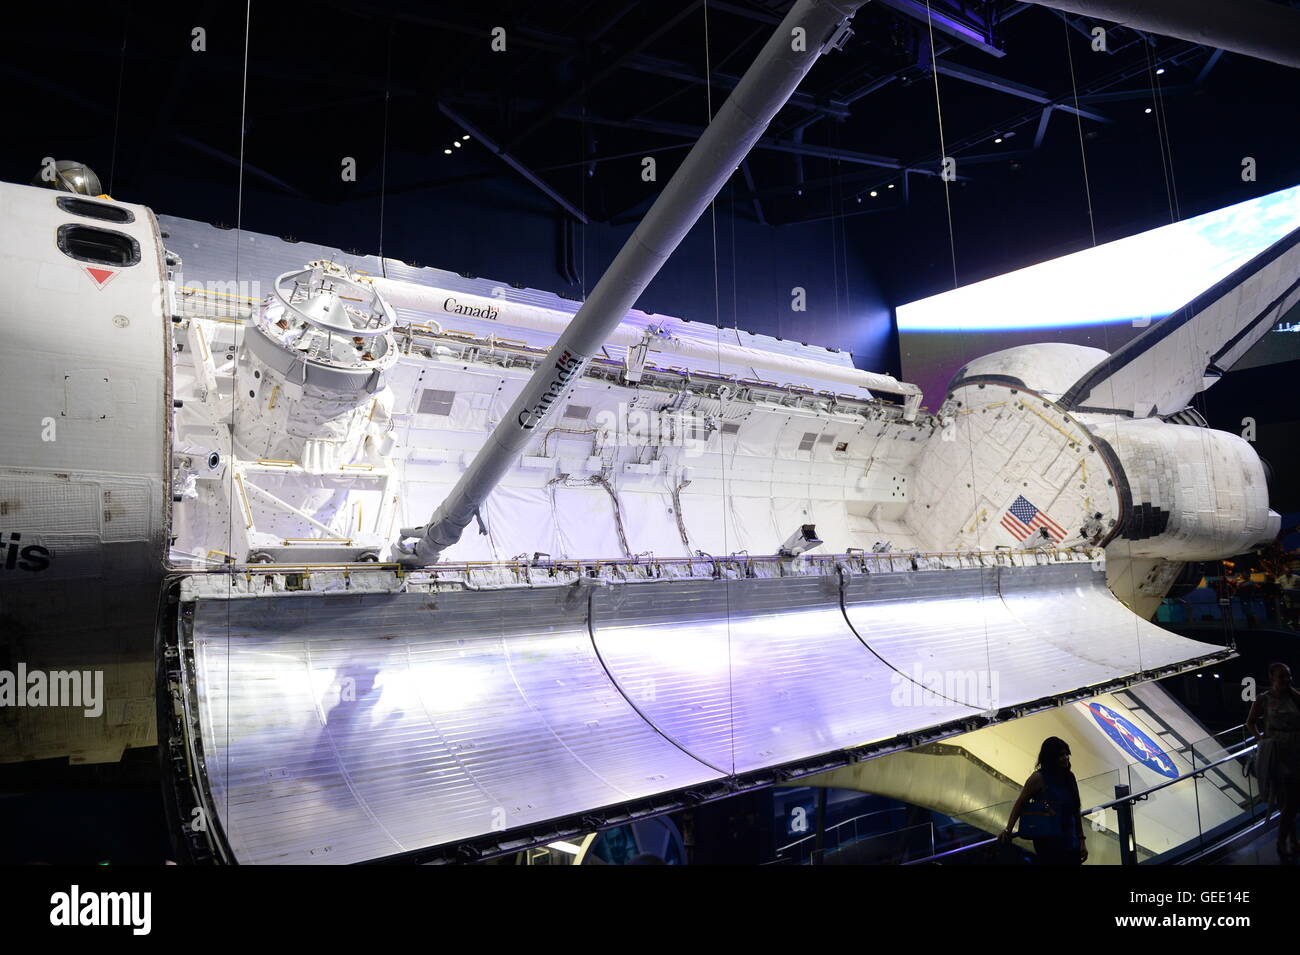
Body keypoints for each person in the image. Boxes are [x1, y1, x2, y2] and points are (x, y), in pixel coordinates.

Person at [999, 736, 1087, 865]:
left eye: (1067, 754)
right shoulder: (1038, 778)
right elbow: (1020, 803)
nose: (1066, 758)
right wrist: (1008, 830)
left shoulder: (1069, 776)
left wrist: (1082, 840)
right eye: (1061, 755)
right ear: (1051, 758)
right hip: (1048, 841)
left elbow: (1075, 809)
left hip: (1069, 839)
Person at [1247, 662, 1300, 858]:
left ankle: (1291, 841)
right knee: (1288, 800)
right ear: (1272, 678)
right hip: (1277, 755)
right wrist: (1262, 740)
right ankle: (1283, 841)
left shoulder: (1294, 696)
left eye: (1288, 676)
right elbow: (1250, 722)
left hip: (1295, 751)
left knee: (1292, 801)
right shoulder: (1263, 699)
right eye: (1282, 677)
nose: (1287, 680)